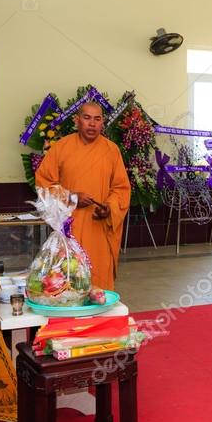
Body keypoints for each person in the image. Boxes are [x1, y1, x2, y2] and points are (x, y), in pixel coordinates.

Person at [35, 101, 131, 290]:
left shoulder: (112, 150)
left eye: (97, 119)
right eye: (87, 118)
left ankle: (99, 319)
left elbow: (121, 188)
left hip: (99, 228)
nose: (92, 124)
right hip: (69, 229)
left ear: (102, 123)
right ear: (77, 120)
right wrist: (70, 197)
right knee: (70, 280)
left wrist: (109, 207)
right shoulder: (61, 147)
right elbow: (43, 183)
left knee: (99, 283)